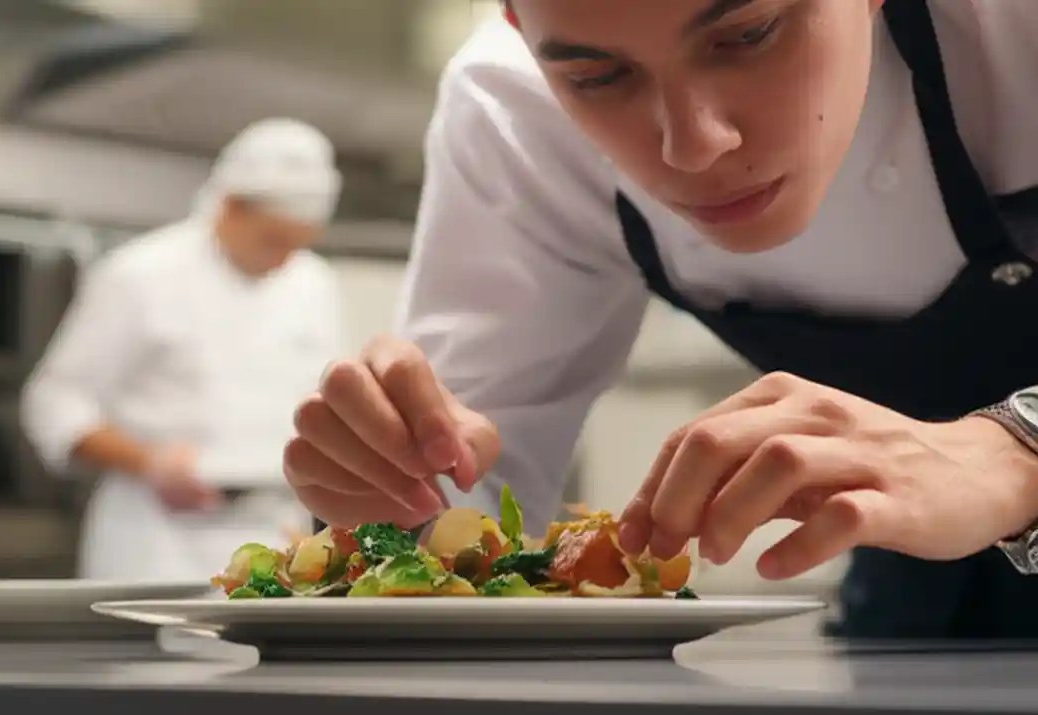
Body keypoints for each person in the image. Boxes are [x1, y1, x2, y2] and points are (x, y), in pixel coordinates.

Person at [282, 0, 1038, 638]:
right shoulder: (515, 110)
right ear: (514, 20)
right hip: (914, 619)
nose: (695, 144)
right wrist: (390, 488)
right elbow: (461, 502)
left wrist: (1014, 454)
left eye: (749, 35)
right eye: (597, 77)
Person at [22, 118, 344, 582]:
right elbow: (54, 401)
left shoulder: (315, 284)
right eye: (273, 240)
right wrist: (147, 462)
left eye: (298, 244)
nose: (284, 260)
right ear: (229, 206)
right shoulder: (141, 274)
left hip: (273, 530)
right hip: (157, 540)